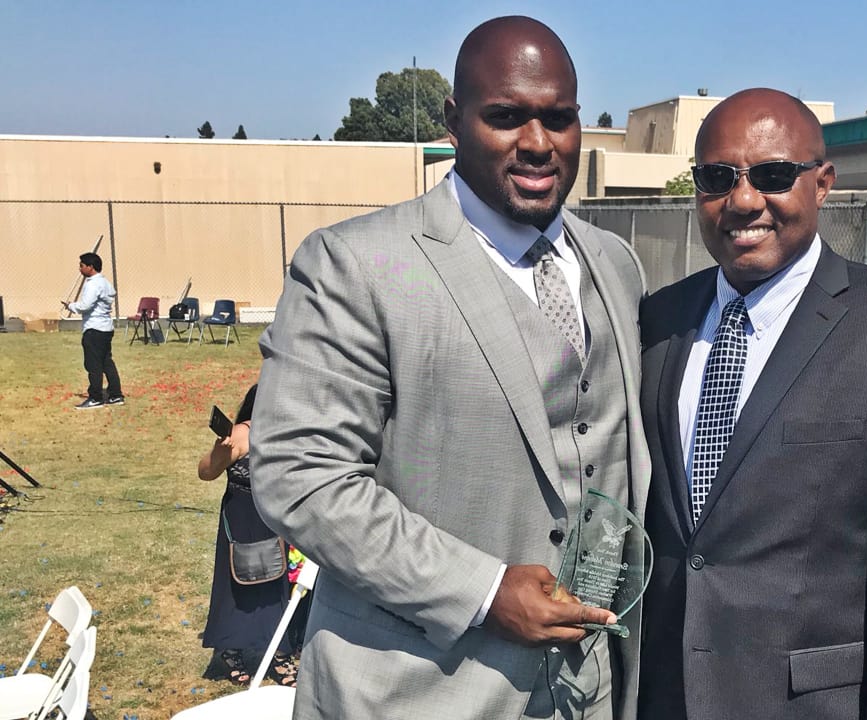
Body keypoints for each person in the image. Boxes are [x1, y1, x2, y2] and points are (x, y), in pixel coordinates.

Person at [250, 16, 649, 720]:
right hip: (422, 689)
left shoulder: (615, 265)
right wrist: (485, 589)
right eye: (506, 117)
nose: (538, 143)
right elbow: (300, 474)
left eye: (559, 119)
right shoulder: (357, 265)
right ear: (454, 120)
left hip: (592, 689)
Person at [636, 88, 867, 720]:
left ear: (822, 183)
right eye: (718, 178)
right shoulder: (660, 320)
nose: (743, 200)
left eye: (772, 175)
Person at [196, 384, 305, 688]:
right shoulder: (242, 433)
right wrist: (219, 453)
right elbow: (205, 472)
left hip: (276, 519)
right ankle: (231, 650)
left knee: (277, 585)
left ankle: (280, 652)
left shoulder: (291, 433)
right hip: (241, 519)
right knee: (236, 585)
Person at [61, 252, 123, 409]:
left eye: (82, 265)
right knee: (106, 362)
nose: (80, 268)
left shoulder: (93, 284)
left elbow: (84, 306)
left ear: (91, 267)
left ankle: (95, 397)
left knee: (93, 365)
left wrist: (70, 306)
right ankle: (116, 395)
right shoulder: (105, 283)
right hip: (106, 329)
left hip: (94, 330)